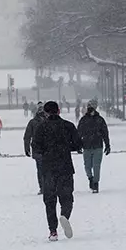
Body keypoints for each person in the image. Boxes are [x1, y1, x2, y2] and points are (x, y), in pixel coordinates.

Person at [28, 102, 82, 240]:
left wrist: (47, 150)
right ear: (58, 110)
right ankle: (65, 215)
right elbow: (78, 144)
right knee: (67, 196)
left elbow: (36, 146)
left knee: (50, 200)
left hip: (48, 168)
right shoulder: (68, 126)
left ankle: (53, 231)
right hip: (65, 166)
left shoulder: (41, 127)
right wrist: (65, 147)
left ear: (45, 113)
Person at [77, 102, 111, 192]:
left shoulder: (100, 120)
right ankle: (90, 178)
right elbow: (79, 133)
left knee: (96, 166)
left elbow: (105, 133)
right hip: (86, 146)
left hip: (97, 146)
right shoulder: (83, 120)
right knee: (87, 166)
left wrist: (107, 145)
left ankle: (95, 183)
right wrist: (78, 145)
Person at [23, 110, 45, 192]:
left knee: (41, 169)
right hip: (45, 149)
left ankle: (43, 187)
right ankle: (46, 186)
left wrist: (27, 148)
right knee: (46, 169)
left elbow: (27, 136)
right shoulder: (49, 121)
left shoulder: (33, 122)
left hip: (38, 149)